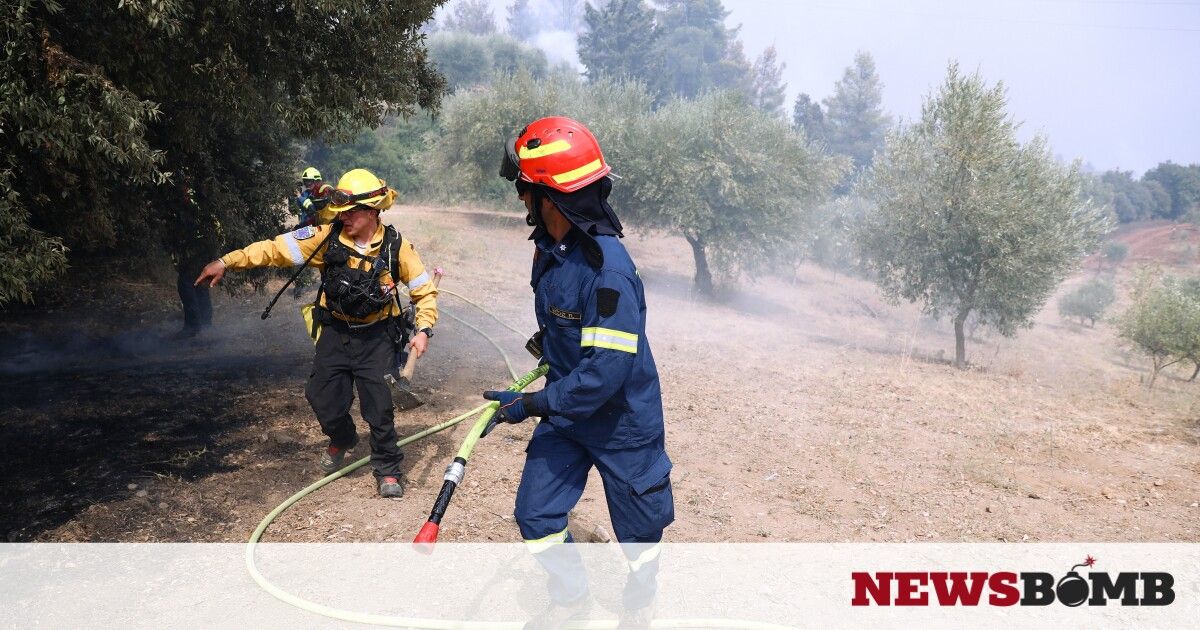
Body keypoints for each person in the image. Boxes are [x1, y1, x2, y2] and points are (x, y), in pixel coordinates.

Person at [485, 116, 673, 626]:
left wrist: (530, 405)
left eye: (526, 191)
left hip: (620, 423)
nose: (522, 202)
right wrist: (547, 347)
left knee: (641, 539)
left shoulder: (608, 270)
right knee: (537, 517)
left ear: (550, 196)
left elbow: (604, 374)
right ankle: (571, 601)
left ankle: (638, 606)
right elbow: (565, 331)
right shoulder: (551, 252)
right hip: (569, 416)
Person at [195, 168, 438, 497]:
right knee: (321, 397)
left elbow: (425, 293)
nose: (343, 219)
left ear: (371, 211)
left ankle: (388, 468)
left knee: (379, 406)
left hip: (378, 337)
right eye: (340, 213)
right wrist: (226, 261)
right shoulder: (325, 238)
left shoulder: (397, 248)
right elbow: (274, 249)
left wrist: (423, 330)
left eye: (349, 213)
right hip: (336, 332)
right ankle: (343, 438)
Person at [170, 174, 216, 339]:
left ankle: (193, 327)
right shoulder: (202, 203)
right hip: (201, 253)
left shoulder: (191, 206)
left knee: (187, 286)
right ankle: (205, 325)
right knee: (200, 287)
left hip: (195, 254)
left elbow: (189, 231)